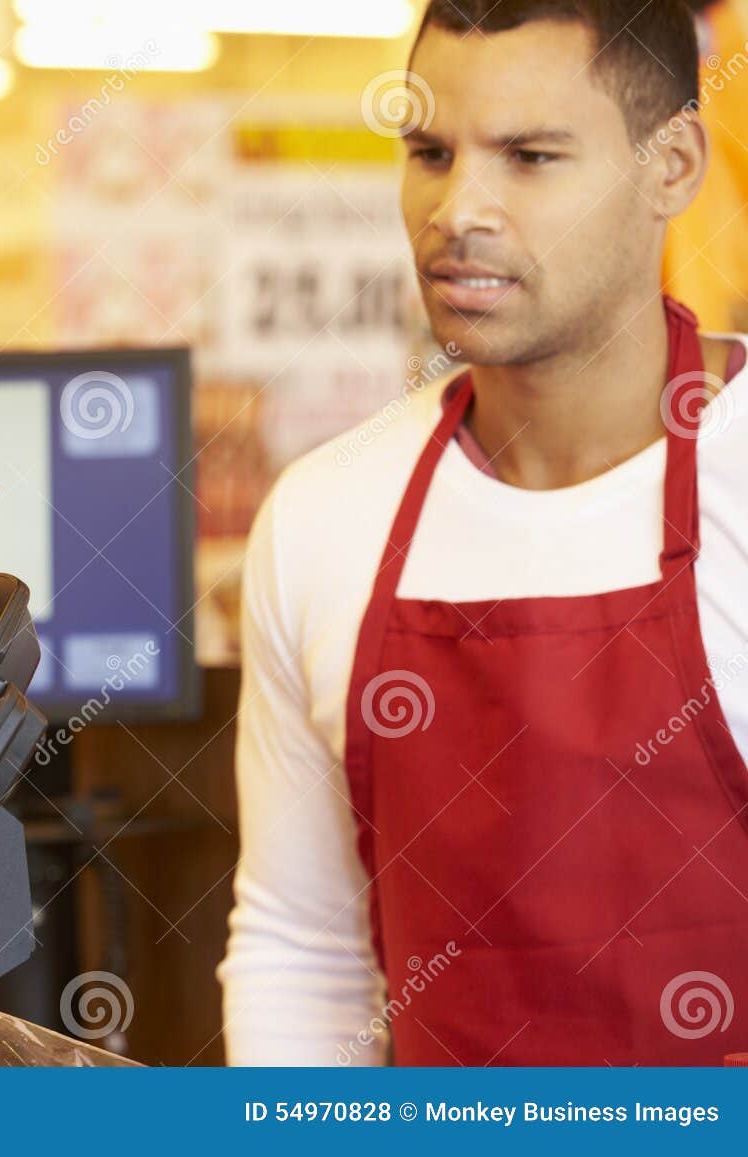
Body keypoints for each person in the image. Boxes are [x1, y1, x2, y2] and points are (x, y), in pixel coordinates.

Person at [221, 0, 748, 1065]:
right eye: (428, 152)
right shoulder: (325, 515)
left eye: (531, 156)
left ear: (672, 166)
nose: (457, 209)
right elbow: (303, 947)